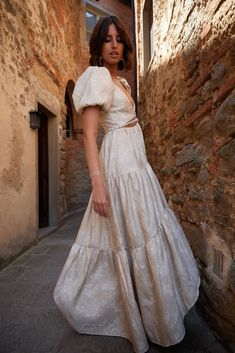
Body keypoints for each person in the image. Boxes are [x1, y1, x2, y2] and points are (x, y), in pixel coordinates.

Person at [53, 16, 200, 353]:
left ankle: (156, 315)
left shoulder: (121, 81)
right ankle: (133, 316)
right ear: (98, 46)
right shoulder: (96, 77)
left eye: (119, 38)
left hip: (137, 167)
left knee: (143, 233)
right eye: (107, 39)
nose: (115, 44)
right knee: (131, 238)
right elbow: (89, 135)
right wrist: (98, 186)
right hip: (118, 168)